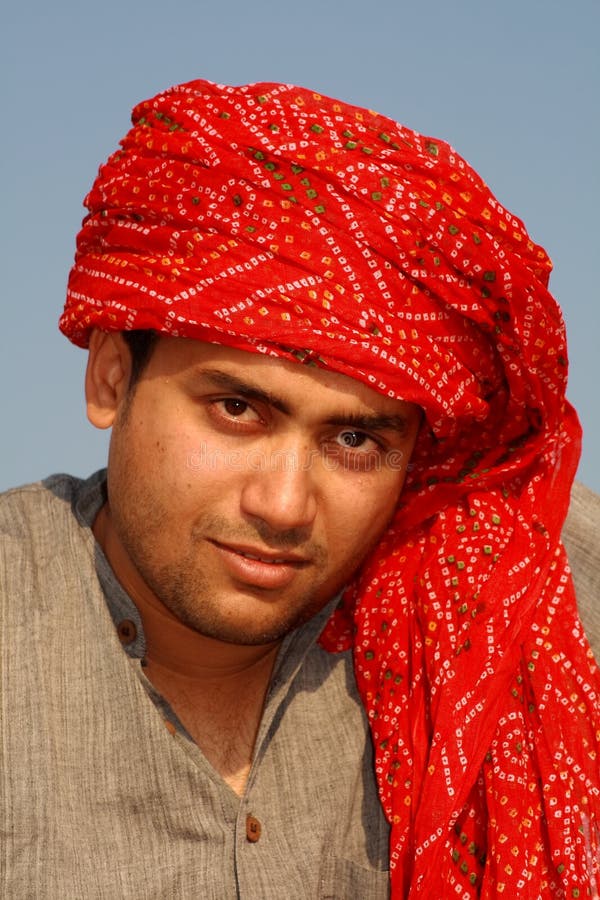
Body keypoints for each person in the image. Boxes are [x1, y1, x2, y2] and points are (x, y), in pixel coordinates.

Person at [1, 79, 598, 899]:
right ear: (110, 378)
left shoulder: (514, 607)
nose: (284, 506)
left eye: (354, 439)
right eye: (237, 409)